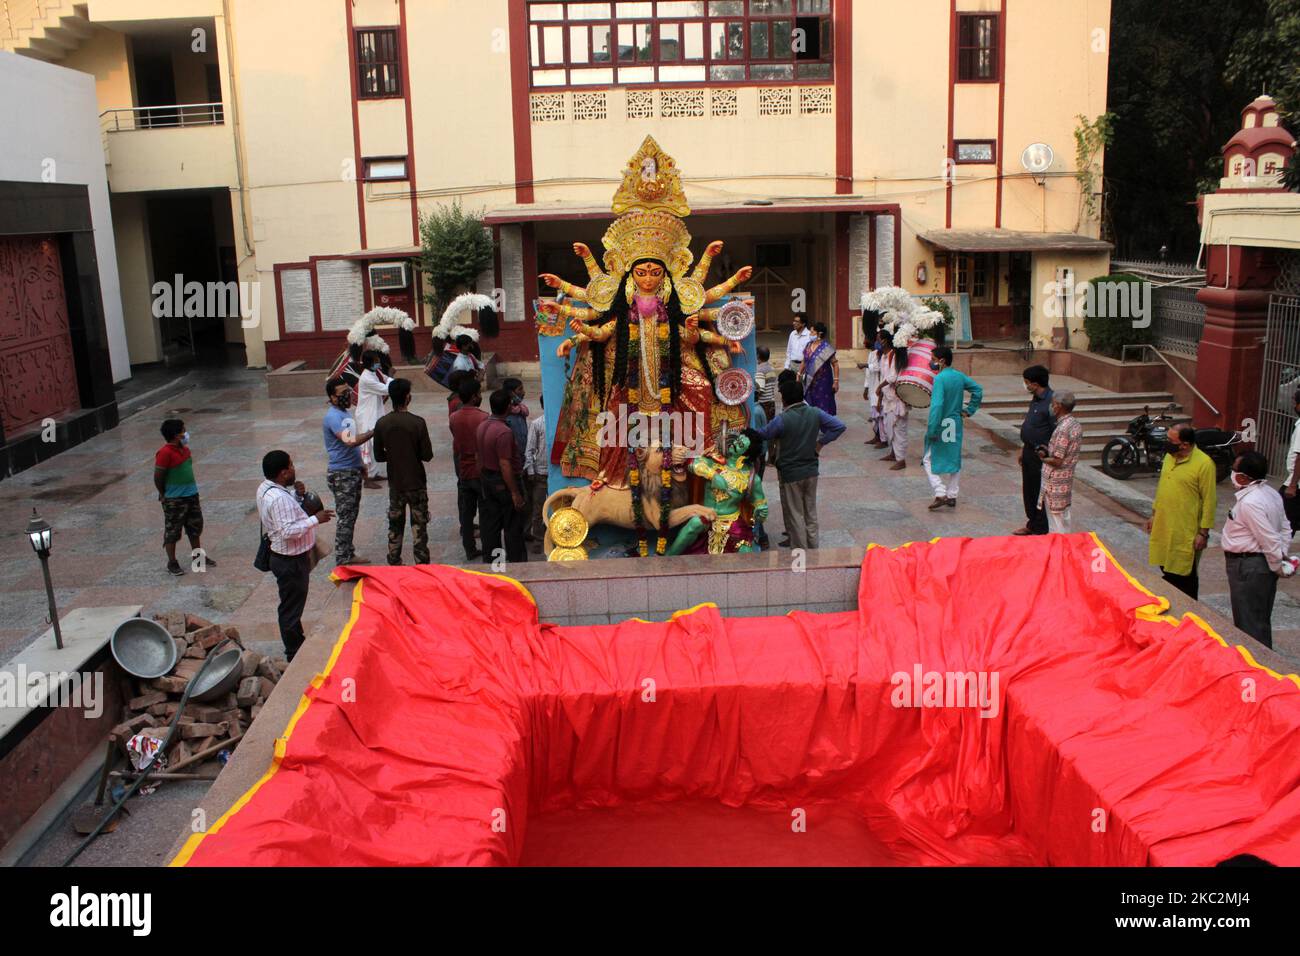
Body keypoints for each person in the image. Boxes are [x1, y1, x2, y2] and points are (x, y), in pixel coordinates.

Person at [257, 451, 333, 661]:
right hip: (290, 561)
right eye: (291, 465)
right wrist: (315, 519)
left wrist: (297, 496)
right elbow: (288, 531)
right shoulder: (278, 498)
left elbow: (285, 509)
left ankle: (297, 641)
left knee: (292, 604)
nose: (294, 468)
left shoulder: (268, 488)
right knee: (290, 608)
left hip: (286, 557)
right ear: (283, 473)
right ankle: (294, 652)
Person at [757, 378, 846, 550]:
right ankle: (813, 551)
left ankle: (800, 556)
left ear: (784, 399)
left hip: (790, 475)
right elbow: (839, 426)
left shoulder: (782, 419)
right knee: (810, 514)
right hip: (811, 472)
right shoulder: (815, 412)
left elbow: (764, 434)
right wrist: (819, 444)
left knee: (795, 515)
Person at [1221, 450, 1292, 648]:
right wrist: (1281, 557)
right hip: (1257, 565)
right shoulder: (1269, 494)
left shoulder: (1252, 502)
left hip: (1249, 566)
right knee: (1258, 618)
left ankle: (1257, 668)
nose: (1232, 472)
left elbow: (1268, 537)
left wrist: (1278, 563)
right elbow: (1285, 527)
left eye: (1234, 470)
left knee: (1249, 623)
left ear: (1243, 477)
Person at [1147, 424, 1217, 600]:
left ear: (1185, 444)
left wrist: (1203, 532)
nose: (1167, 443)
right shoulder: (1170, 457)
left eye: (1171, 440)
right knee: (1165, 567)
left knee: (1185, 575)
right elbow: (1162, 487)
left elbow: (1209, 501)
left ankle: (1190, 611)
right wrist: (1154, 514)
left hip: (1186, 531)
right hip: (1164, 524)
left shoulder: (1204, 464)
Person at [373, 378, 433, 566]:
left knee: (395, 526)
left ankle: (394, 561)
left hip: (396, 484)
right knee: (419, 527)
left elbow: (379, 456)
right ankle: (422, 565)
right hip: (416, 482)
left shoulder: (382, 423)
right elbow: (427, 455)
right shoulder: (417, 423)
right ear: (408, 397)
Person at [322, 376, 374, 567]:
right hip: (342, 474)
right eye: (342, 393)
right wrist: (372, 431)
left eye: (348, 391)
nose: (347, 395)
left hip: (351, 470)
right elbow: (349, 441)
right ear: (332, 397)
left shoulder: (344, 413)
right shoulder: (333, 416)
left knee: (351, 514)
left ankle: (348, 552)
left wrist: (361, 465)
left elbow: (351, 446)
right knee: (346, 516)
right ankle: (343, 558)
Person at [923, 346, 983, 510]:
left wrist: (932, 429)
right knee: (954, 458)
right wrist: (969, 410)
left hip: (941, 423)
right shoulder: (959, 376)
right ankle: (952, 495)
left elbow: (937, 406)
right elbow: (978, 390)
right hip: (955, 423)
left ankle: (940, 491)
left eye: (933, 359)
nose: (931, 362)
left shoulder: (940, 379)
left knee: (928, 458)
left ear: (942, 361)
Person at [154, 418, 213, 576]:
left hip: (191, 495)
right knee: (173, 530)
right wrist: (163, 493)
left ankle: (198, 557)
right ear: (176, 435)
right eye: (183, 430)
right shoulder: (164, 453)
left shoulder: (185, 450)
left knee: (195, 527)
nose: (186, 433)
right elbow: (158, 476)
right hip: (174, 499)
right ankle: (172, 562)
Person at [477, 387, 528, 564]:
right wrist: (515, 493)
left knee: (491, 527)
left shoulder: (482, 425)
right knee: (513, 527)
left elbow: (478, 456)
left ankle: (494, 566)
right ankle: (516, 566)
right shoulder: (503, 432)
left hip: (487, 479)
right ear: (507, 407)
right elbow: (505, 464)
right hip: (502, 483)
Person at [449, 376, 488, 561]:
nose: (481, 396)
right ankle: (489, 546)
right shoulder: (483, 417)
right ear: (474, 397)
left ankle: (469, 548)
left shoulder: (454, 417)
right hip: (480, 471)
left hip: (463, 469)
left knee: (467, 513)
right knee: (486, 511)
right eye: (479, 393)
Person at [1015, 365, 1055, 536]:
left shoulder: (1052, 402)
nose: (1025, 386)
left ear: (1035, 384)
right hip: (1029, 451)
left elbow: (1055, 430)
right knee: (1029, 490)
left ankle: (1041, 526)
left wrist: (1047, 452)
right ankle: (1032, 523)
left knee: (1040, 491)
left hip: (1041, 455)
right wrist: (1023, 449)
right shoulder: (1036, 399)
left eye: (1026, 382)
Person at [1036, 390, 1083, 534]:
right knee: (1064, 518)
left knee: (1056, 524)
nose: (1051, 407)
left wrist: (1042, 458)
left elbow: (1057, 461)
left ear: (1058, 406)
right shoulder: (1074, 424)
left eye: (1052, 404)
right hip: (1065, 481)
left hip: (1055, 482)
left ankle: (1060, 553)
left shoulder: (1063, 429)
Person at [355, 349, 391, 488]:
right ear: (369, 363)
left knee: (376, 442)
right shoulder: (366, 377)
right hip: (366, 415)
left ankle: (374, 473)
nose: (378, 363)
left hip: (374, 412)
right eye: (376, 361)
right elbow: (386, 388)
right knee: (367, 445)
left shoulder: (375, 373)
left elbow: (387, 380)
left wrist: (393, 380)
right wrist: (395, 383)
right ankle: (367, 479)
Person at [877, 338, 909, 471]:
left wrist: (879, 386)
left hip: (897, 399)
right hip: (891, 398)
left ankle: (901, 460)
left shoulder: (896, 356)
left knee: (899, 429)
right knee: (891, 427)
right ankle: (894, 453)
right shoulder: (894, 356)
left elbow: (892, 377)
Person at [523, 394, 549, 552]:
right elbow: (530, 449)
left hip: (556, 473)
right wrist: (531, 471)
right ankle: (539, 541)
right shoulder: (537, 424)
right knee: (538, 509)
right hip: (540, 472)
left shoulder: (561, 424)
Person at [800, 321, 839, 416]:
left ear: (819, 334)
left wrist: (836, 381)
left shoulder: (826, 348)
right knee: (810, 403)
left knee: (823, 403)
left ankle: (825, 424)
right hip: (809, 381)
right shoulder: (808, 345)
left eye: (812, 332)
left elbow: (835, 364)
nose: (810, 334)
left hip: (824, 382)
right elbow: (804, 361)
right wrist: (799, 374)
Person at [861, 331, 884, 447]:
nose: (864, 342)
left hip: (878, 387)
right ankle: (877, 436)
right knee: (875, 415)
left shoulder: (879, 354)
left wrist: (865, 365)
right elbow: (868, 374)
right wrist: (865, 388)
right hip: (871, 387)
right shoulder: (871, 353)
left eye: (866, 339)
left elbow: (877, 368)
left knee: (879, 415)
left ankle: (882, 439)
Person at [1282, 388, 1300, 535]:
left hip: (1296, 483)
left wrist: (1293, 485)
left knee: (1286, 521)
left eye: (1295, 401)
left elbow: (1299, 456)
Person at [755, 346, 777, 422]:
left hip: (763, 404)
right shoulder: (771, 369)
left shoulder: (760, 370)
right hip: (771, 402)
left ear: (757, 355)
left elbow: (760, 390)